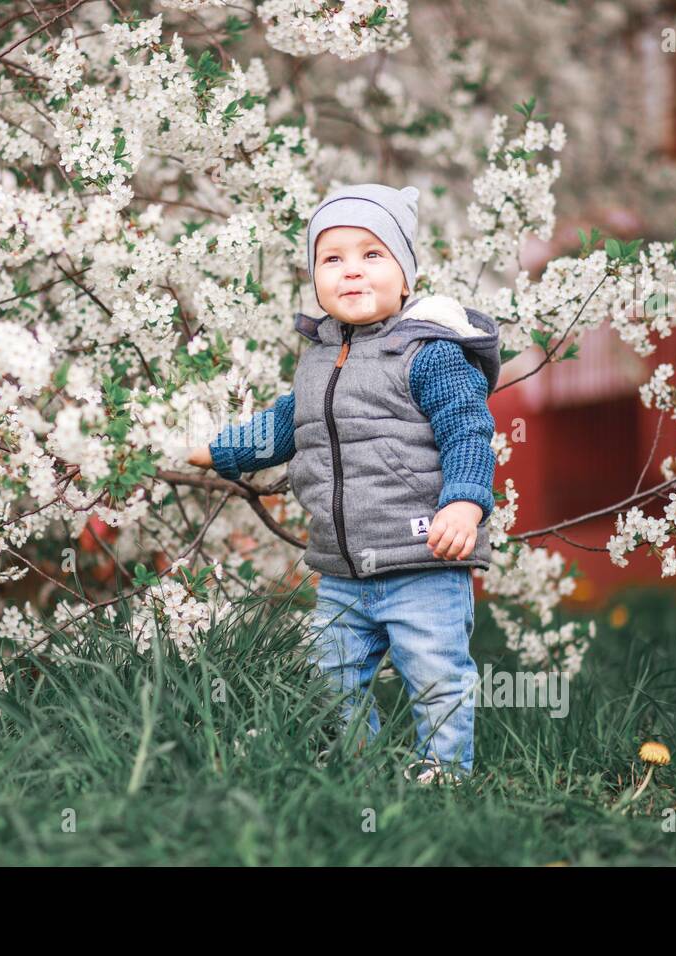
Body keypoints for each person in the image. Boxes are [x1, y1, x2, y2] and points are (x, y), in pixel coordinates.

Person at [187, 183, 500, 786]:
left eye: (372, 255)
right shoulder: (315, 358)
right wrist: (219, 452)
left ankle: (446, 772)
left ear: (406, 277)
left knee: (436, 675)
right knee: (332, 679)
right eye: (332, 259)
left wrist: (464, 503)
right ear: (314, 278)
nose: (351, 270)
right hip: (340, 570)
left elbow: (468, 432)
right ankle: (360, 770)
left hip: (421, 556)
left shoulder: (428, 353)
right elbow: (286, 426)